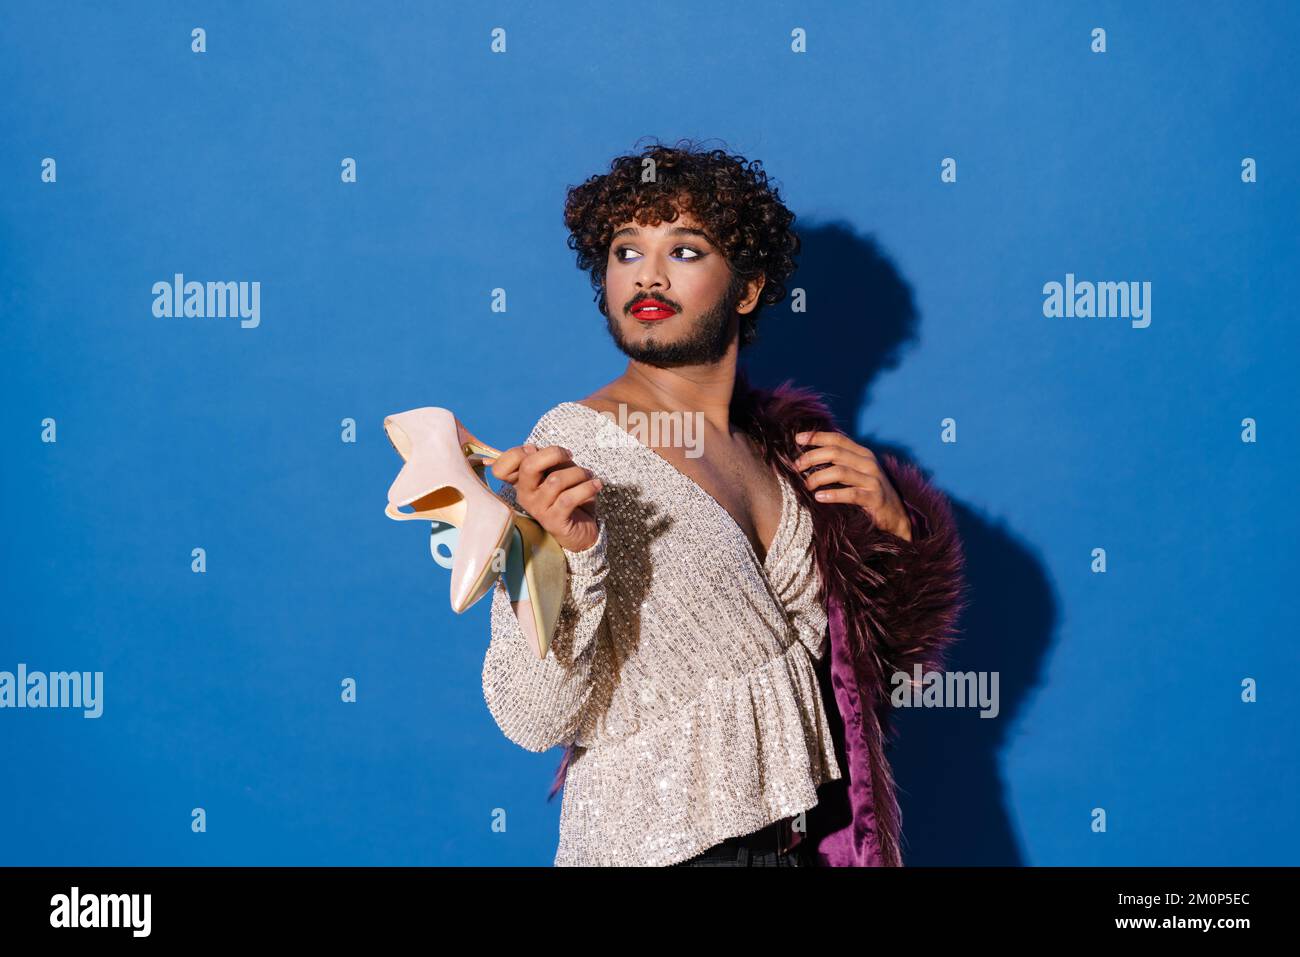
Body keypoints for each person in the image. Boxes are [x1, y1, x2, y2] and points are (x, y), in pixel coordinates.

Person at [481, 138, 968, 866]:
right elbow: (529, 714)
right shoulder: (574, 446)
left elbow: (871, 674)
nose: (647, 273)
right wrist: (573, 561)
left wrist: (895, 532)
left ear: (746, 289)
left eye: (684, 250)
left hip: (803, 845)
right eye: (625, 251)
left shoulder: (789, 453)